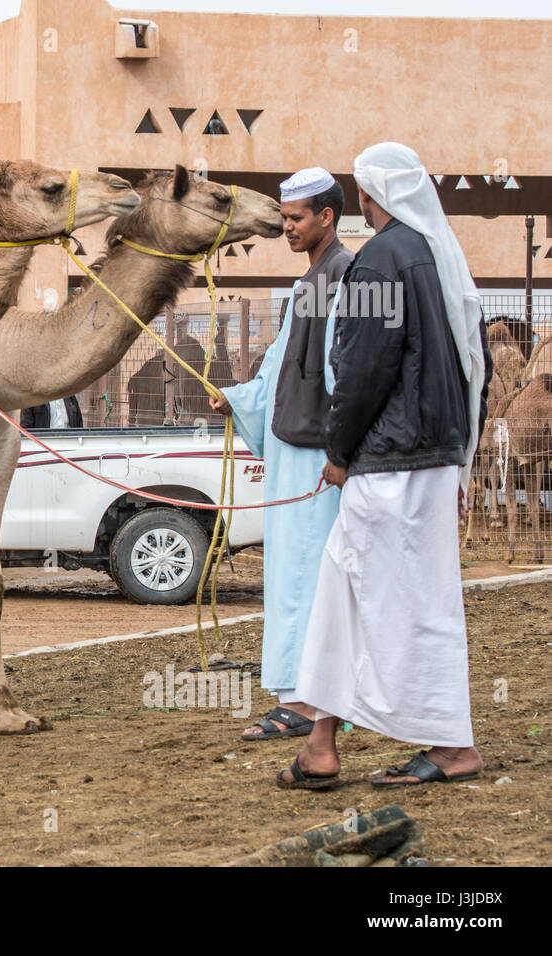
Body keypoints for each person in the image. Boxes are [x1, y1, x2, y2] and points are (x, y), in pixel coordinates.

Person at [279, 142, 492, 789]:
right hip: (427, 460)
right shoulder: (438, 258)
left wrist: (339, 454)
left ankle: (452, 746)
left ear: (369, 195)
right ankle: (320, 745)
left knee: (409, 603)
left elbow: (365, 370)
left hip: (392, 467)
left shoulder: (379, 262)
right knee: (346, 591)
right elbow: (472, 362)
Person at [210, 168, 352, 740]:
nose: (286, 227)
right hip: (296, 449)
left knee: (306, 574)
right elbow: (279, 367)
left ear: (328, 218)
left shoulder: (343, 276)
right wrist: (240, 399)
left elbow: (347, 370)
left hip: (317, 453)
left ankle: (306, 702)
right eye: (285, 217)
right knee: (293, 571)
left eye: (296, 218)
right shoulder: (313, 280)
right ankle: (303, 694)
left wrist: (342, 447)